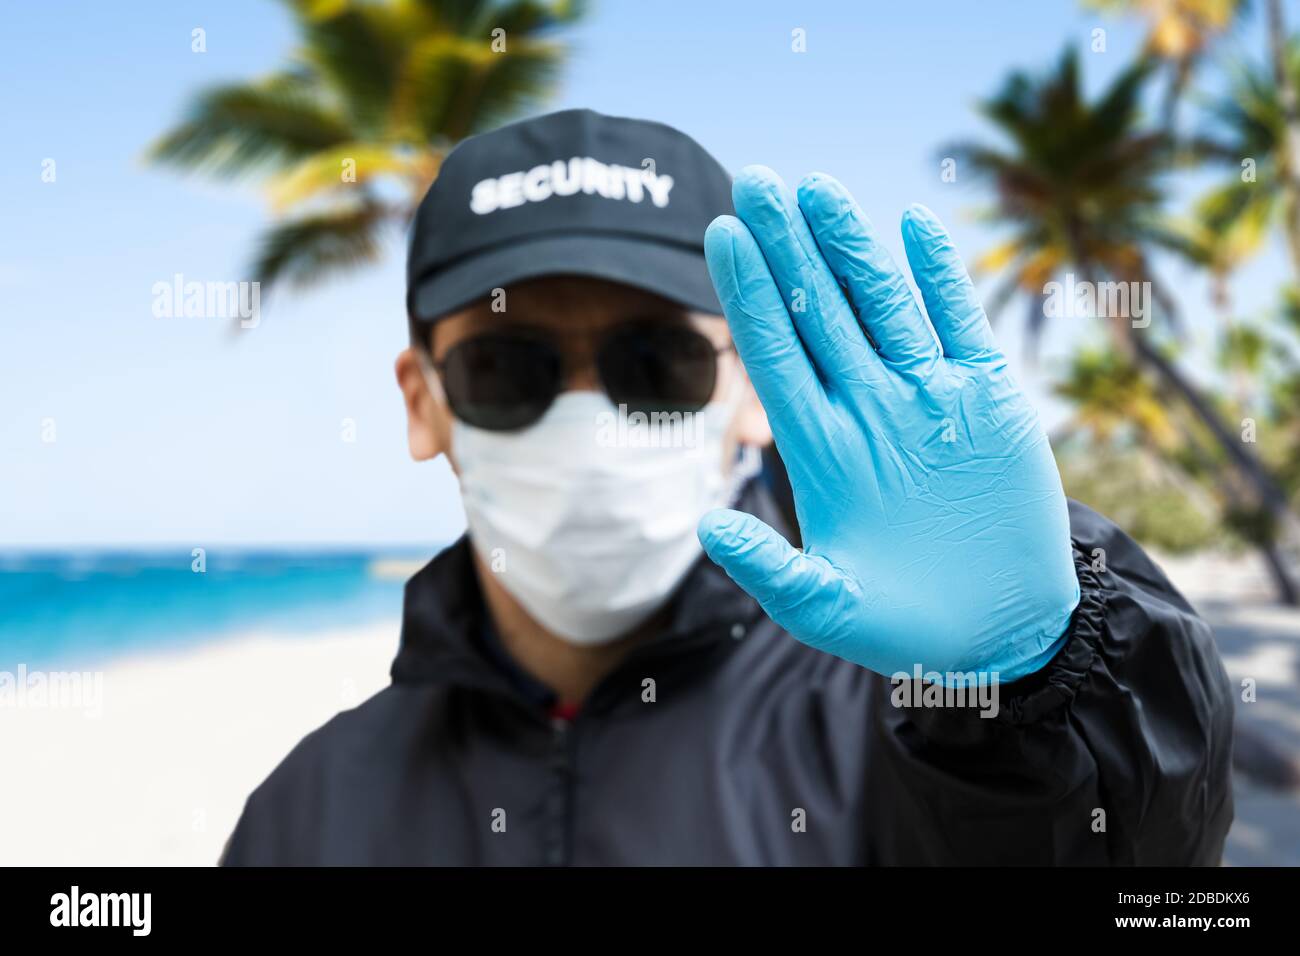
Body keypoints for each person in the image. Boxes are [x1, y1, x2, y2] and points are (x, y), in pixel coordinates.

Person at [221, 109, 1233, 865]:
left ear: (749, 384)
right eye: (507, 368)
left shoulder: (914, 724)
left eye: (655, 362)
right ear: (422, 400)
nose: (590, 418)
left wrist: (1033, 679)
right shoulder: (305, 814)